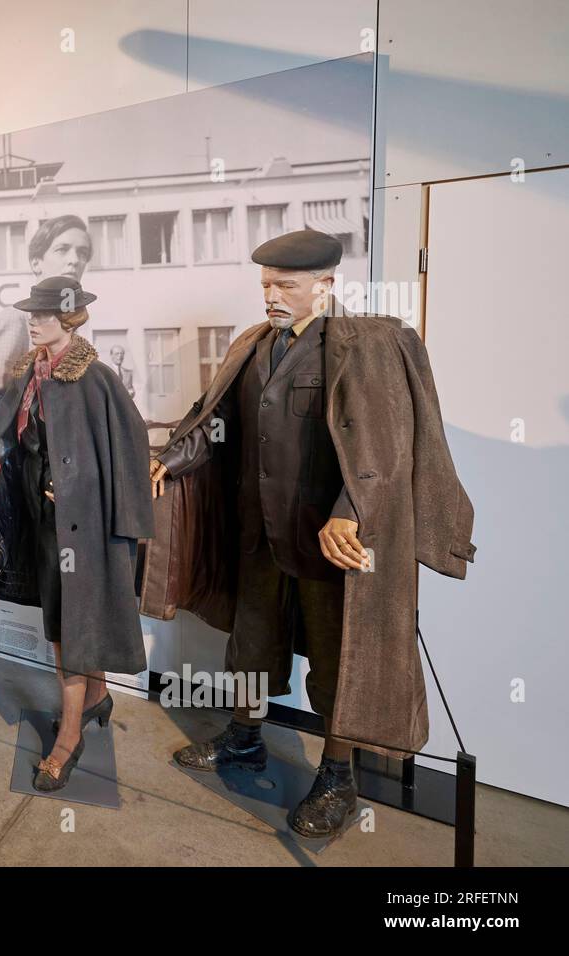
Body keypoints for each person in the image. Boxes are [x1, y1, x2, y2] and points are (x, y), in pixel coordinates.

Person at [146, 229, 477, 838]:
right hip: (260, 535)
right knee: (251, 645)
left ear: (326, 285)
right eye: (266, 285)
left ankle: (337, 777)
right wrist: (173, 456)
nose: (271, 296)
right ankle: (244, 740)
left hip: (330, 545)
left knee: (339, 661)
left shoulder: (366, 344)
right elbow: (215, 418)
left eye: (286, 286)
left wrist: (351, 509)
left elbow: (384, 445)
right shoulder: (252, 345)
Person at [0, 277, 153, 791]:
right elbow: (8, 434)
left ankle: (69, 737)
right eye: (31, 312)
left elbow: (130, 449)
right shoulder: (30, 370)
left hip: (82, 526)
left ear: (69, 319)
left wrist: (76, 487)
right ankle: (95, 699)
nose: (33, 320)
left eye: (44, 314)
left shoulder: (94, 378)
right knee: (63, 621)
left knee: (73, 629)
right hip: (41, 521)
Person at [0, 215, 93, 427]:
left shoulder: (74, 326)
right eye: (62, 249)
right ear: (36, 262)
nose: (74, 260)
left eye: (82, 253)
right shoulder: (17, 319)